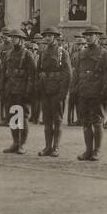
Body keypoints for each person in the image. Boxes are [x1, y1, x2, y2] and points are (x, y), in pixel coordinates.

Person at [73, 25, 107, 162]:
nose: (88, 37)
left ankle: (97, 151)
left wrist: (103, 93)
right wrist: (75, 90)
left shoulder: (104, 54)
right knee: (85, 122)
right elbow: (77, 73)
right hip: (84, 92)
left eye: (91, 35)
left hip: (97, 94)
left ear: (97, 36)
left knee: (97, 122)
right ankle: (88, 150)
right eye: (87, 35)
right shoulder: (81, 54)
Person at [35, 27, 70, 157]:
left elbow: (67, 74)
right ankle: (47, 147)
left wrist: (62, 93)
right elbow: (38, 71)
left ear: (55, 37)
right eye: (46, 35)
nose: (48, 38)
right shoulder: (43, 52)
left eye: (50, 35)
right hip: (45, 90)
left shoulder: (62, 53)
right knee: (47, 120)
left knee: (57, 120)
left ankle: (56, 147)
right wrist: (39, 88)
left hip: (57, 90)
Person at [0, 28, 36, 154]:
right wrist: (3, 88)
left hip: (22, 90)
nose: (13, 39)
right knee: (13, 117)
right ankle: (15, 143)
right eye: (12, 37)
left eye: (16, 37)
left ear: (21, 40)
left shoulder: (27, 55)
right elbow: (4, 73)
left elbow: (32, 76)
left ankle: (22, 144)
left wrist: (28, 92)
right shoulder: (8, 54)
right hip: (10, 89)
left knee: (23, 117)